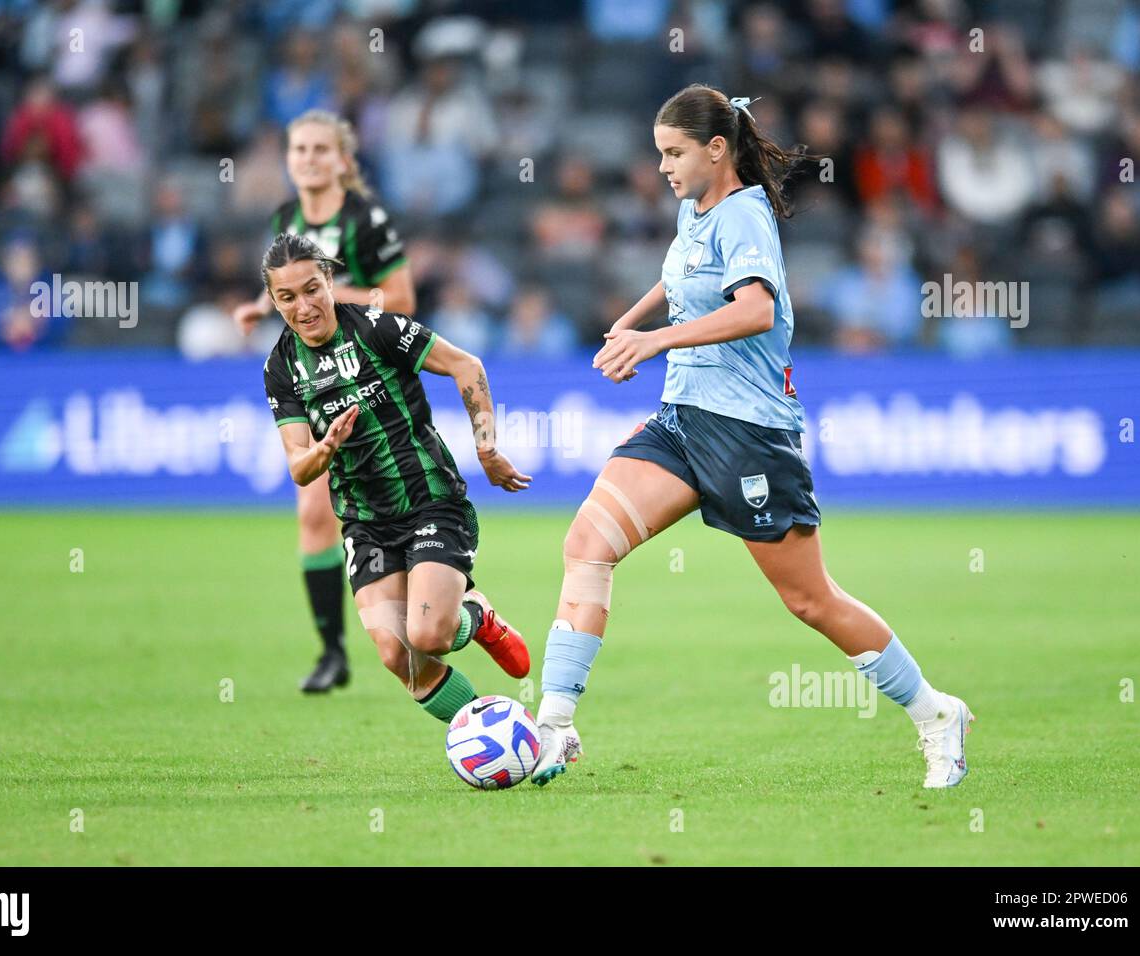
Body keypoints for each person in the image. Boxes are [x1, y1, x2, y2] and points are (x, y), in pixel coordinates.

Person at [529, 84, 975, 790]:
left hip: (748, 434)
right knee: (587, 546)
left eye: (674, 153)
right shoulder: (693, 208)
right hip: (681, 421)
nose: (663, 168)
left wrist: (655, 341)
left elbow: (756, 310)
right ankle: (554, 726)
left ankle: (936, 711)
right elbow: (677, 275)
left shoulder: (746, 217)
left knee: (810, 601)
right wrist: (630, 320)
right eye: (658, 154)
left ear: (716, 149)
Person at [261, 233, 533, 725]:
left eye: (312, 289)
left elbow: (464, 365)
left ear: (329, 282)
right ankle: (489, 739)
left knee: (429, 634)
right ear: (273, 300)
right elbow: (299, 467)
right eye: (287, 297)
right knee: (399, 655)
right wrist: (323, 449)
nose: (304, 307)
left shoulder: (376, 328)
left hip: (429, 501)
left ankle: (478, 618)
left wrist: (487, 446)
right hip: (365, 521)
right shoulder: (280, 367)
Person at [234, 109, 416, 693]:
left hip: (371, 377)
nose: (307, 159)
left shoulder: (366, 219)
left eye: (319, 149)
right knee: (312, 513)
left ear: (342, 158)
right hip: (313, 380)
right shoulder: (284, 219)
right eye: (298, 150)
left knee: (393, 504)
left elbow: (403, 299)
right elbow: (285, 285)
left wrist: (329, 292)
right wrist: (263, 307)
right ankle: (333, 651)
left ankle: (440, 604)